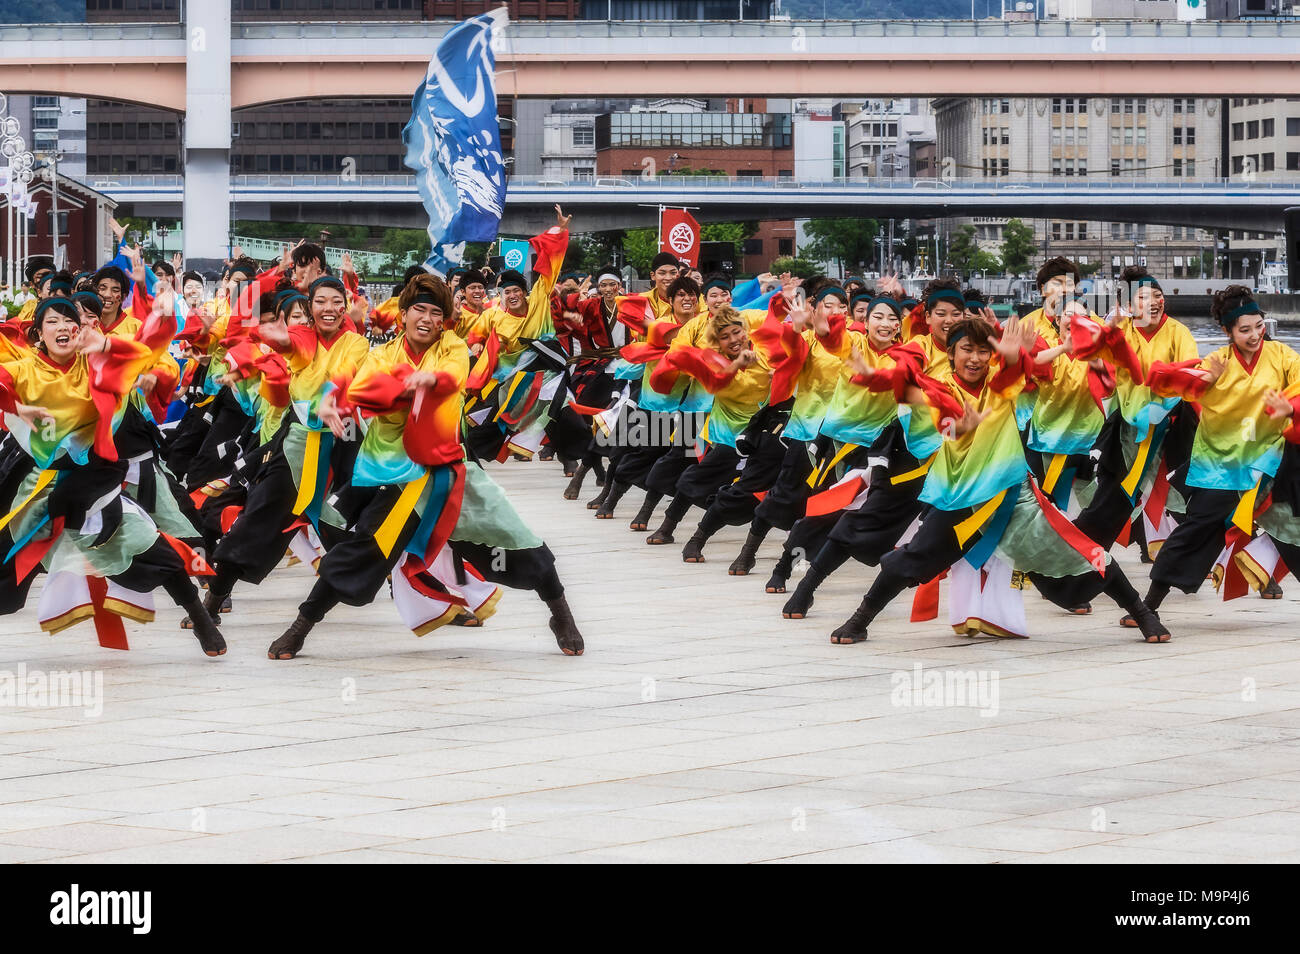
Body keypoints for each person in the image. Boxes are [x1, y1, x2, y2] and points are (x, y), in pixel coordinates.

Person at [267, 274, 586, 658]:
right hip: (399, 476)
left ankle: (559, 611)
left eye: (436, 312)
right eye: (419, 309)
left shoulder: (451, 346)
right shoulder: (383, 355)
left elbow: (453, 377)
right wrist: (341, 400)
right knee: (365, 548)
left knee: (516, 539)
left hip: (451, 473)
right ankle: (301, 627)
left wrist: (425, 379)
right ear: (403, 315)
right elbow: (363, 388)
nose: (427, 318)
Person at [826, 316, 1170, 646]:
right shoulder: (940, 385)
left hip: (1012, 497)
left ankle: (1142, 613)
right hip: (960, 499)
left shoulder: (1000, 381)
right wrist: (959, 425)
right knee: (913, 559)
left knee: (1078, 552)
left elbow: (1023, 370)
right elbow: (937, 415)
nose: (974, 358)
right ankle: (860, 619)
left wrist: (1024, 355)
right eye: (966, 349)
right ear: (951, 354)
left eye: (982, 351)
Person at [0, 296, 226, 655]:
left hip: (94, 482)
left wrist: (122, 351)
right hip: (39, 490)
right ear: (38, 333)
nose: (62, 328)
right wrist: (17, 406)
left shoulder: (93, 361)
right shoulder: (24, 367)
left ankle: (199, 617)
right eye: (52, 322)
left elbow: (148, 353)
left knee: (146, 541)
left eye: (68, 321)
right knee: (8, 564)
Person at [1136, 286, 1300, 626]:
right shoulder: (1216, 363)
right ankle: (1147, 606)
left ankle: (1265, 576)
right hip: (1218, 466)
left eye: (1259, 326)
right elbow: (1158, 380)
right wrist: (1200, 378)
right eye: (1244, 330)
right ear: (1227, 332)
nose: (1255, 335)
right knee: (1194, 532)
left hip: (1266, 464)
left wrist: (1291, 408)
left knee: (1292, 529)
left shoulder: (1283, 357)